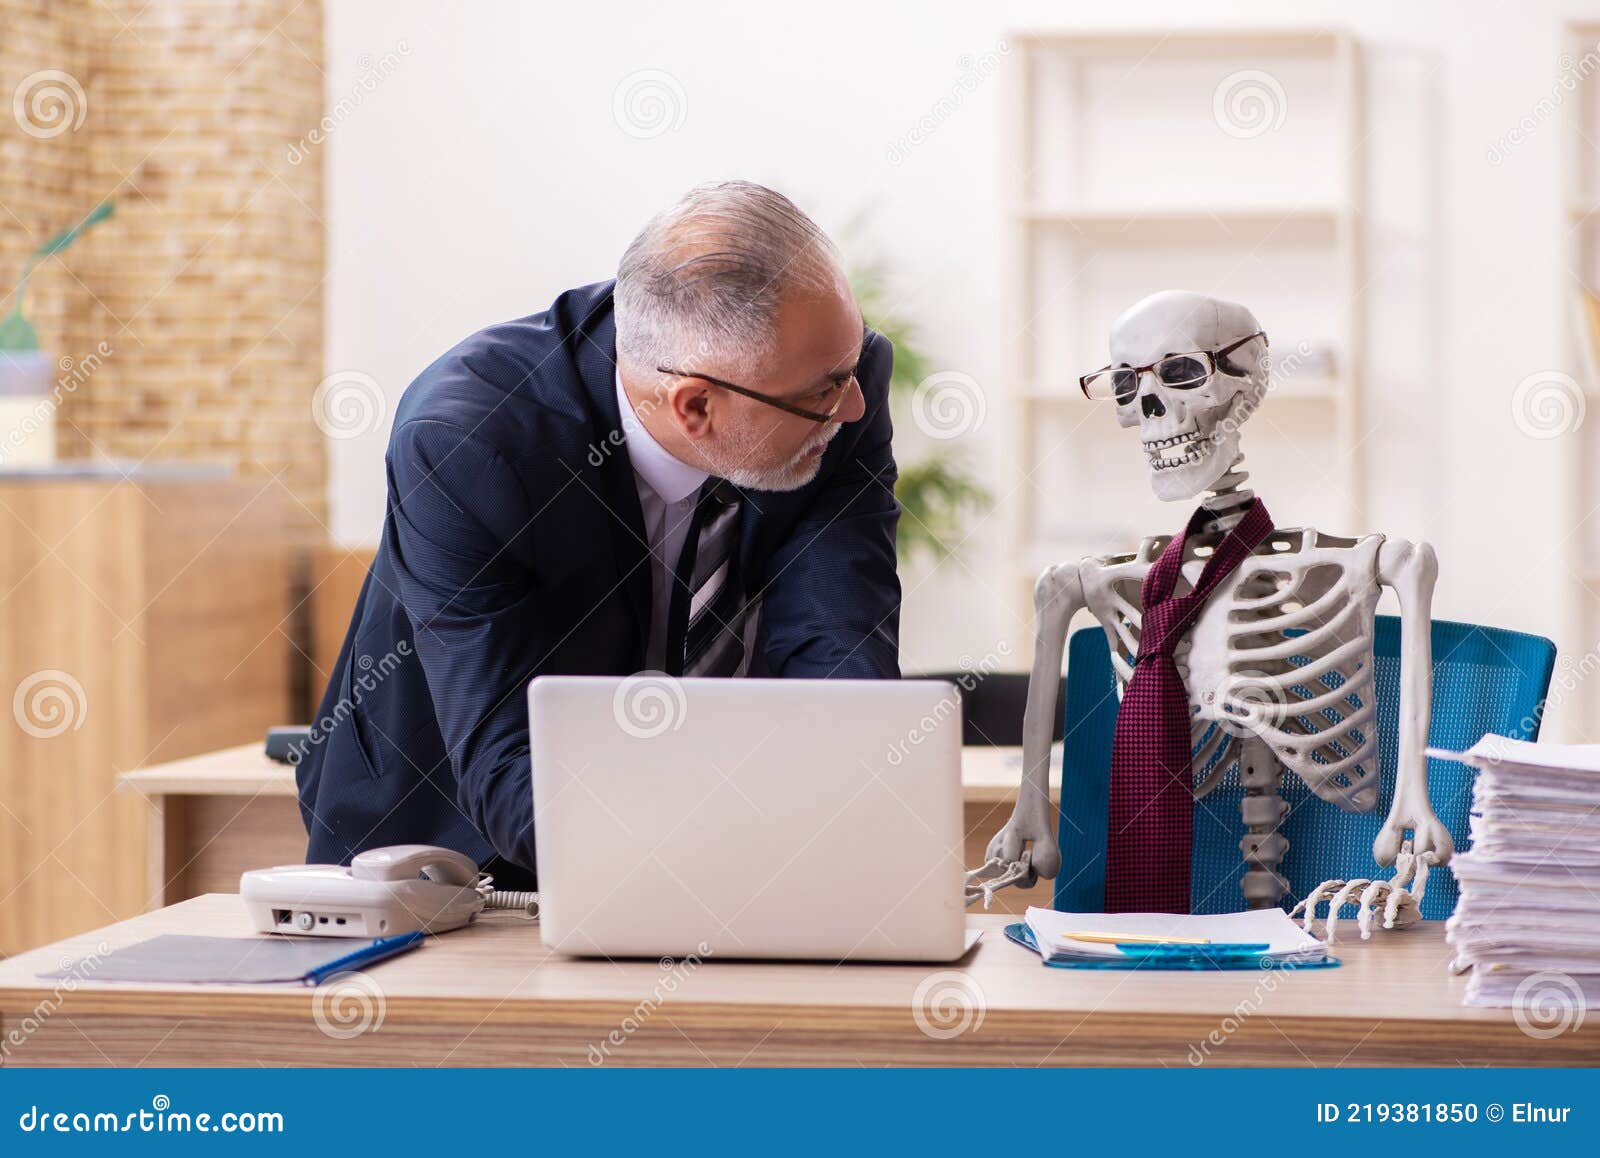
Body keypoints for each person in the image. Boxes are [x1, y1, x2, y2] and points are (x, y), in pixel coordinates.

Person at [295, 181, 902, 888]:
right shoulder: (469, 440)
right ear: (696, 405)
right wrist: (711, 868)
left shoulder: (829, 383)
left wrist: (815, 844)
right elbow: (505, 755)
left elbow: (839, 656)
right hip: (441, 844)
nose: (852, 404)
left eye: (850, 372)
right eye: (825, 392)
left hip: (698, 839)